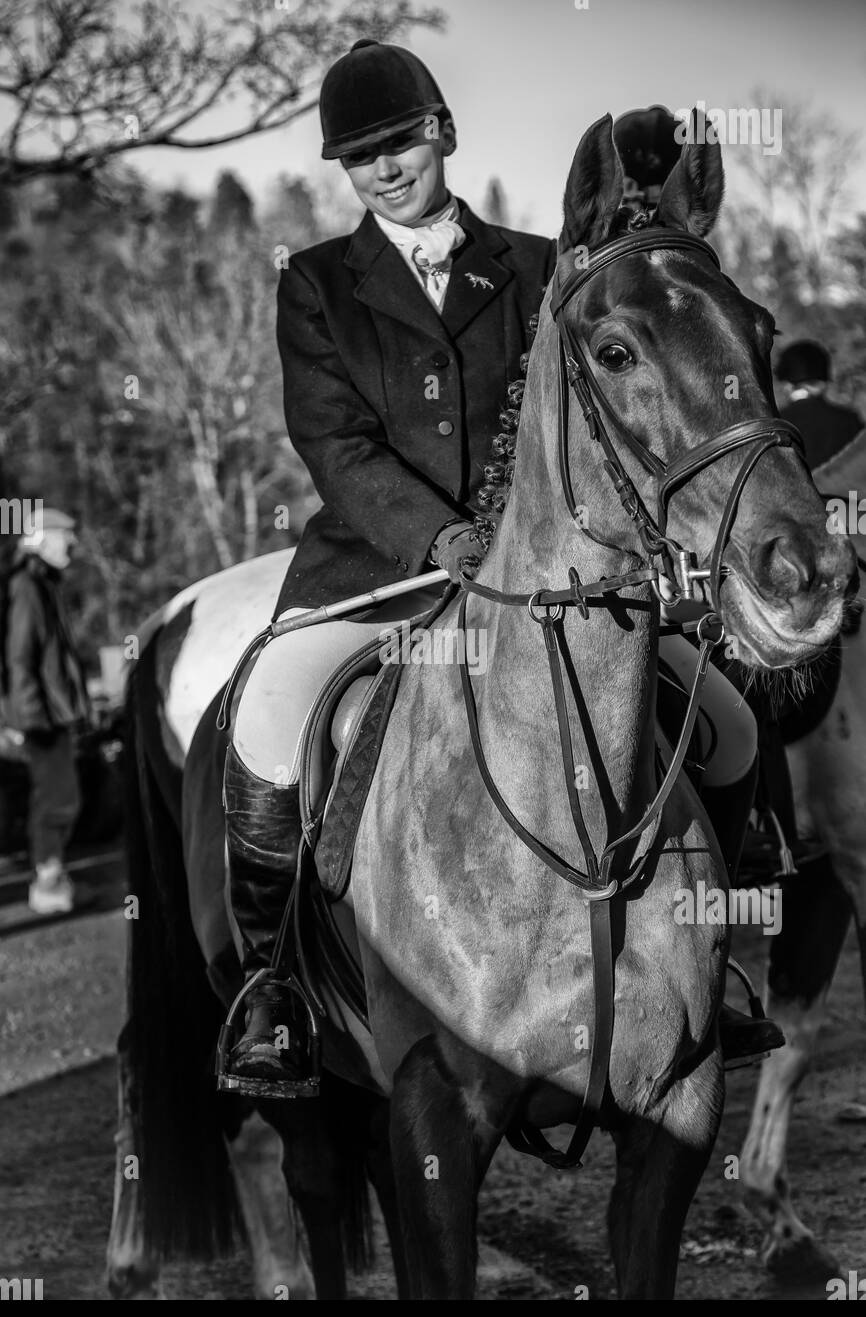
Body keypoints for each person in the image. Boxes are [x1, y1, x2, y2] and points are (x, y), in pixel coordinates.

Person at [219, 64, 779, 1098]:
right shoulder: (315, 283)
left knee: (729, 726)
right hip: (374, 577)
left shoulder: (538, 267)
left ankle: (717, 964)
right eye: (359, 156)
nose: (384, 168)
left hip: (548, 581)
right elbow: (335, 446)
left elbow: (602, 409)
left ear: (442, 132)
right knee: (266, 717)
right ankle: (274, 990)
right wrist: (440, 541)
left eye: (400, 142)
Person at [3, 508, 90, 914]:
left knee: (61, 795)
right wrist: (30, 718)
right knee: (56, 797)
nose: (72, 543)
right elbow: (20, 659)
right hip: (42, 719)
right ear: (41, 539)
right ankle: (48, 881)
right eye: (65, 535)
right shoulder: (28, 586)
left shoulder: (43, 583)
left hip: (52, 715)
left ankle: (53, 874)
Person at [776, 339, 863, 470]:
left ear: (787, 385)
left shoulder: (777, 425)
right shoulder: (851, 421)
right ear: (823, 383)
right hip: (845, 491)